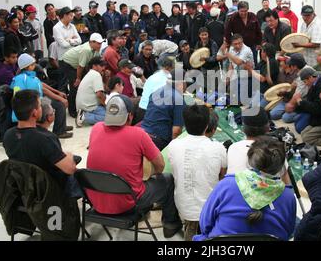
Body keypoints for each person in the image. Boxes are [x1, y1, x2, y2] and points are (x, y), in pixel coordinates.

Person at [86, 94, 182, 238]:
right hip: (126, 203)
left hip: (96, 200)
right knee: (167, 180)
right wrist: (147, 175)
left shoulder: (96, 128)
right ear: (130, 116)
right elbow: (160, 166)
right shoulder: (138, 134)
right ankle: (170, 225)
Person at [194, 137, 296, 241]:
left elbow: (204, 224)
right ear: (281, 166)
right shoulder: (288, 196)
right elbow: (288, 231)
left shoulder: (227, 184)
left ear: (250, 160)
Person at [167, 105, 227, 241]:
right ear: (207, 126)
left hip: (183, 207)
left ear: (185, 125)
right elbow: (222, 177)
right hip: (210, 209)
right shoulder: (218, 148)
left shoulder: (174, 145)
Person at [3, 90, 77, 195]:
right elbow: (70, 168)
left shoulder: (8, 135)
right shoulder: (44, 139)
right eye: (40, 106)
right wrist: (69, 155)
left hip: (23, 188)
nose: (41, 107)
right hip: (47, 190)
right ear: (35, 112)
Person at [11, 53, 73, 139]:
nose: (35, 65)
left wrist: (58, 92)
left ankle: (61, 125)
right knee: (60, 105)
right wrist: (59, 97)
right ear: (26, 66)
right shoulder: (22, 79)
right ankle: (59, 131)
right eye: (32, 64)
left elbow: (41, 85)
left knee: (59, 102)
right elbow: (43, 90)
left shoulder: (31, 76)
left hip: (38, 100)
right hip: (32, 105)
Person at [290, 67, 321, 145]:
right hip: (319, 118)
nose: (305, 84)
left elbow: (317, 109)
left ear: (310, 78)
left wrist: (300, 101)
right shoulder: (315, 84)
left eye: (305, 81)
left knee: (307, 138)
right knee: (303, 133)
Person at [141, 68, 187, 150]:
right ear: (181, 83)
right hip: (158, 141)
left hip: (142, 135)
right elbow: (176, 131)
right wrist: (172, 150)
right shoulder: (178, 99)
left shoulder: (156, 92)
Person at [59, 33, 103, 117]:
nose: (100, 45)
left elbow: (96, 61)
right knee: (75, 86)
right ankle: (72, 110)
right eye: (98, 43)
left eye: (100, 43)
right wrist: (78, 79)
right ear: (91, 42)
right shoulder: (86, 50)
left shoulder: (96, 49)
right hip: (68, 64)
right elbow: (80, 67)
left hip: (78, 65)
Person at [227, 108, 270, 174]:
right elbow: (287, 183)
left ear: (243, 129)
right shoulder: (275, 151)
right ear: (268, 128)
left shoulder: (233, 147)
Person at [219, 34, 255, 105]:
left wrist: (227, 53)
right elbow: (231, 66)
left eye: (240, 43)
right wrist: (227, 79)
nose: (238, 46)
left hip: (248, 78)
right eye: (235, 44)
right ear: (232, 44)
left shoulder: (246, 50)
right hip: (237, 76)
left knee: (242, 101)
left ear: (242, 42)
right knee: (233, 99)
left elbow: (238, 62)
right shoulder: (231, 49)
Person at [75, 57, 107, 126]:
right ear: (94, 66)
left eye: (104, 66)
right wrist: (106, 105)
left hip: (84, 106)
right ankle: (84, 117)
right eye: (101, 65)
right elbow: (99, 94)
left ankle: (84, 115)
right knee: (110, 117)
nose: (103, 68)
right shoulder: (96, 74)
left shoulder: (90, 74)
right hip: (89, 107)